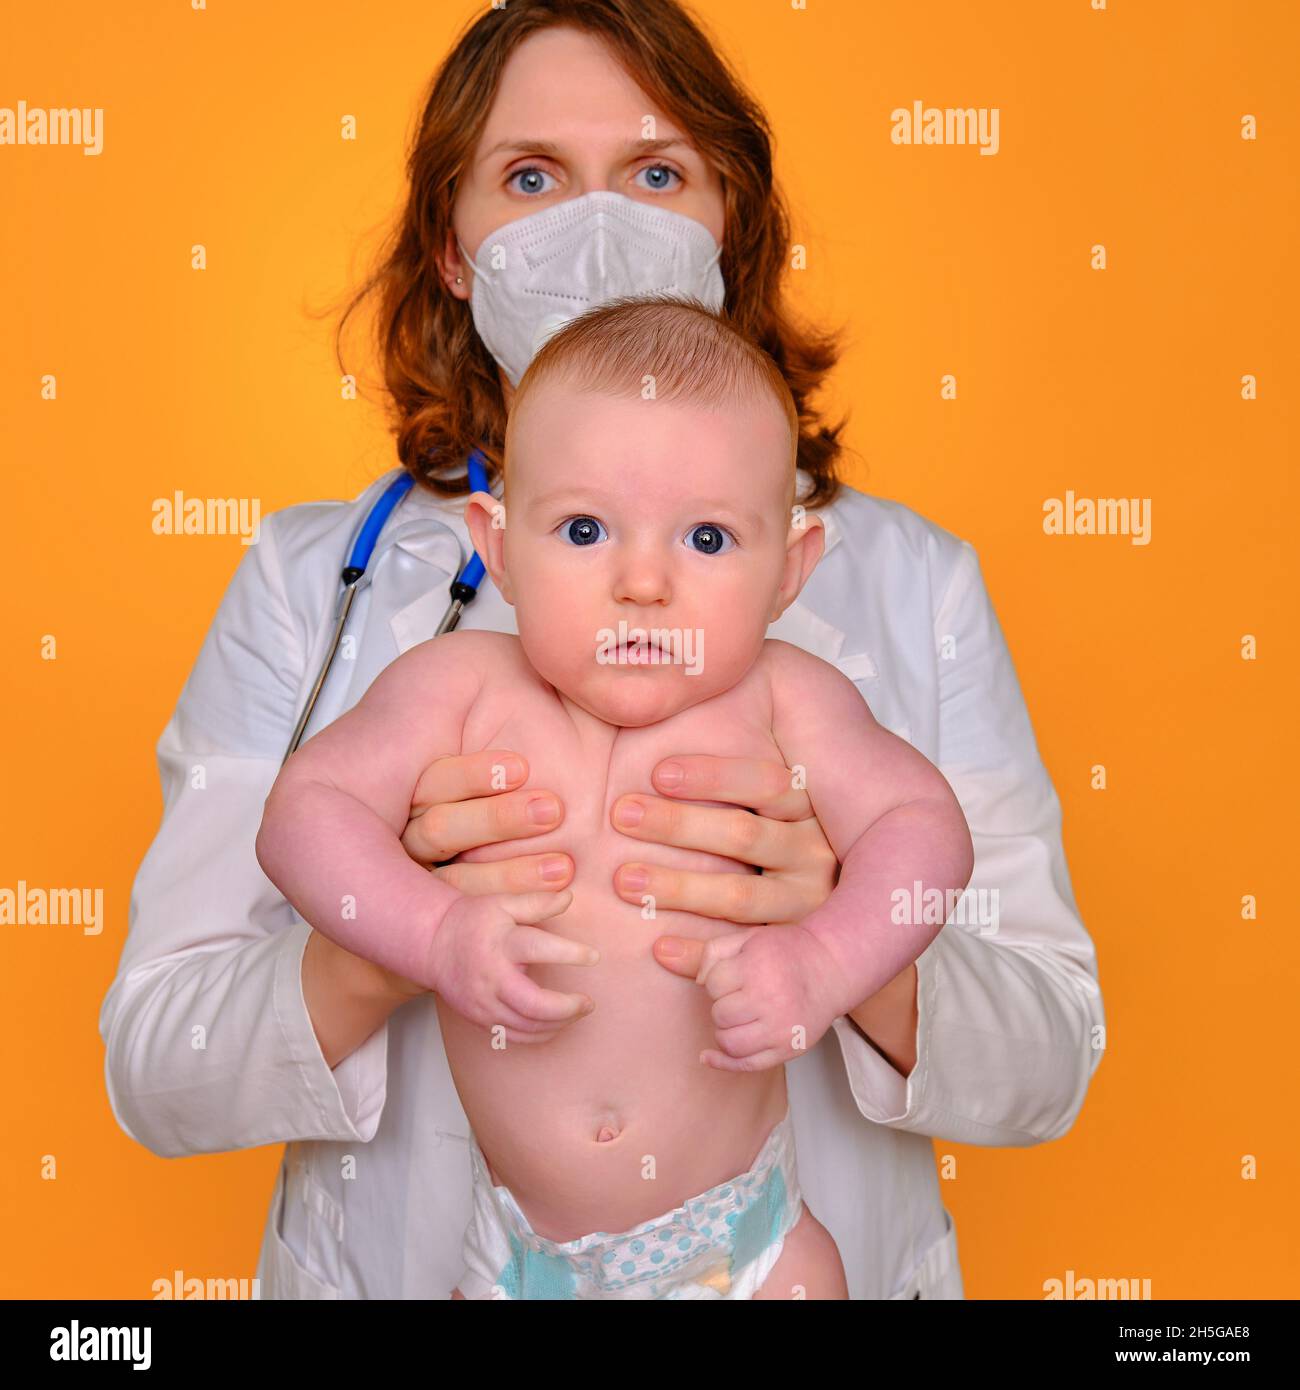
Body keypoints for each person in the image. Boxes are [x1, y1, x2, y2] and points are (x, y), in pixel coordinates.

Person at [99, 0, 1103, 1300]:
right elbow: (154, 1069)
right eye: (530, 178)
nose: (599, 226)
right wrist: (388, 930)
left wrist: (846, 935)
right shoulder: (311, 583)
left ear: (727, 219)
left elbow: (1051, 1059)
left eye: (655, 173)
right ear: (451, 249)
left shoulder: (913, 581)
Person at [254, 298, 976, 1300]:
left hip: (745, 1251)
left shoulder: (788, 702)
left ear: (788, 574)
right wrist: (432, 935)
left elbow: (924, 832)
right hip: (517, 1263)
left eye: (710, 540)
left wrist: (822, 960)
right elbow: (303, 811)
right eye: (585, 528)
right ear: (499, 549)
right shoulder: (456, 688)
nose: (643, 581)